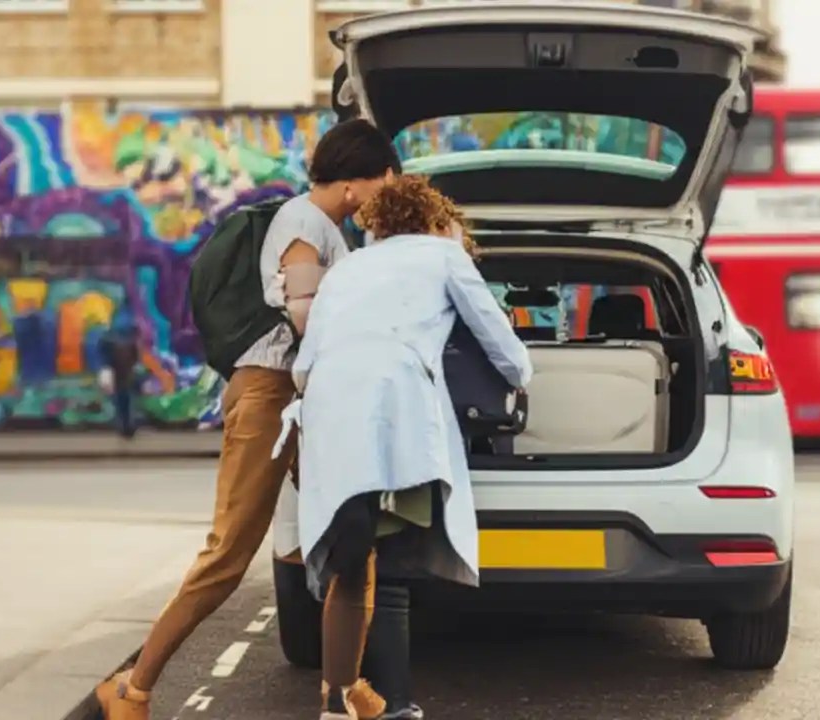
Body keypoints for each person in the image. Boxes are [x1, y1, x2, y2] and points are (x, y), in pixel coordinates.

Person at [95, 118, 399, 720]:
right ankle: (132, 689)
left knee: (353, 539)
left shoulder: (328, 227)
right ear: (353, 182)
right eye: (384, 185)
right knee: (230, 553)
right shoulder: (304, 225)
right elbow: (308, 315)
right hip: (269, 394)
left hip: (308, 397)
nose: (384, 199)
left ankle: (343, 690)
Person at [280, 175, 532, 719]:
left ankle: (345, 699)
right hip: (393, 416)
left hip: (330, 412)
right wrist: (522, 374)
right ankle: (389, 705)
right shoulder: (444, 257)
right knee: (387, 566)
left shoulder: (346, 268)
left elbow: (303, 365)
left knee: (351, 559)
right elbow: (501, 342)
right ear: (437, 220)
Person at [97, 307, 142, 438]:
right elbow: (135, 357)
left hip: (118, 375)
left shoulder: (109, 338)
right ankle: (128, 426)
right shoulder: (130, 340)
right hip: (126, 375)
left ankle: (124, 426)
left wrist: (105, 367)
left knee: (121, 402)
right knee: (128, 401)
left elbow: (104, 355)